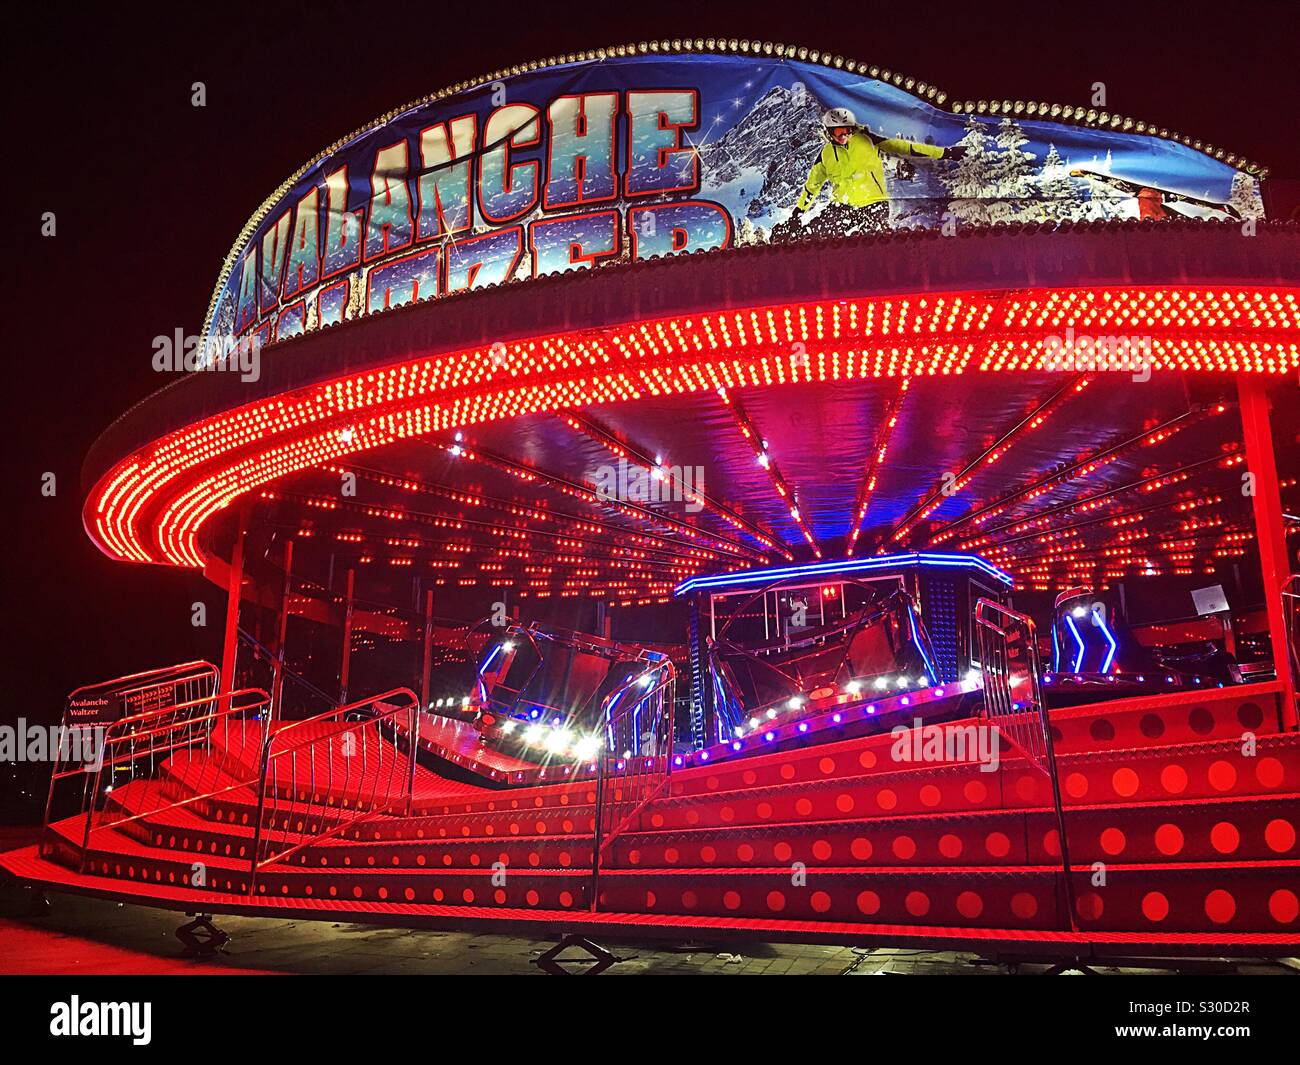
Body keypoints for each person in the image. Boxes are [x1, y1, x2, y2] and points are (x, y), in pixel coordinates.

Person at [792, 107, 963, 233]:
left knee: (869, 244)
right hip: (842, 206)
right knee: (818, 235)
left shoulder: (867, 139)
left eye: (848, 131)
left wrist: (945, 153)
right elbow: (812, 186)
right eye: (839, 132)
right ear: (829, 133)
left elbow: (905, 147)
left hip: (873, 204)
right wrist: (798, 213)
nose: (844, 136)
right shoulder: (826, 155)